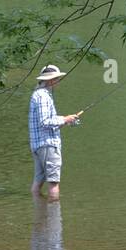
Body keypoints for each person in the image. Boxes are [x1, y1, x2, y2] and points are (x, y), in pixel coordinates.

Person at [28, 65, 82, 199]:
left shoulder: (38, 94)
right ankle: (53, 216)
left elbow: (45, 123)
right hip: (48, 145)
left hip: (39, 145)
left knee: (38, 181)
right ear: (50, 80)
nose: (58, 80)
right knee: (53, 182)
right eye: (57, 78)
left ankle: (39, 213)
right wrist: (64, 119)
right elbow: (45, 121)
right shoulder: (43, 96)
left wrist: (66, 120)